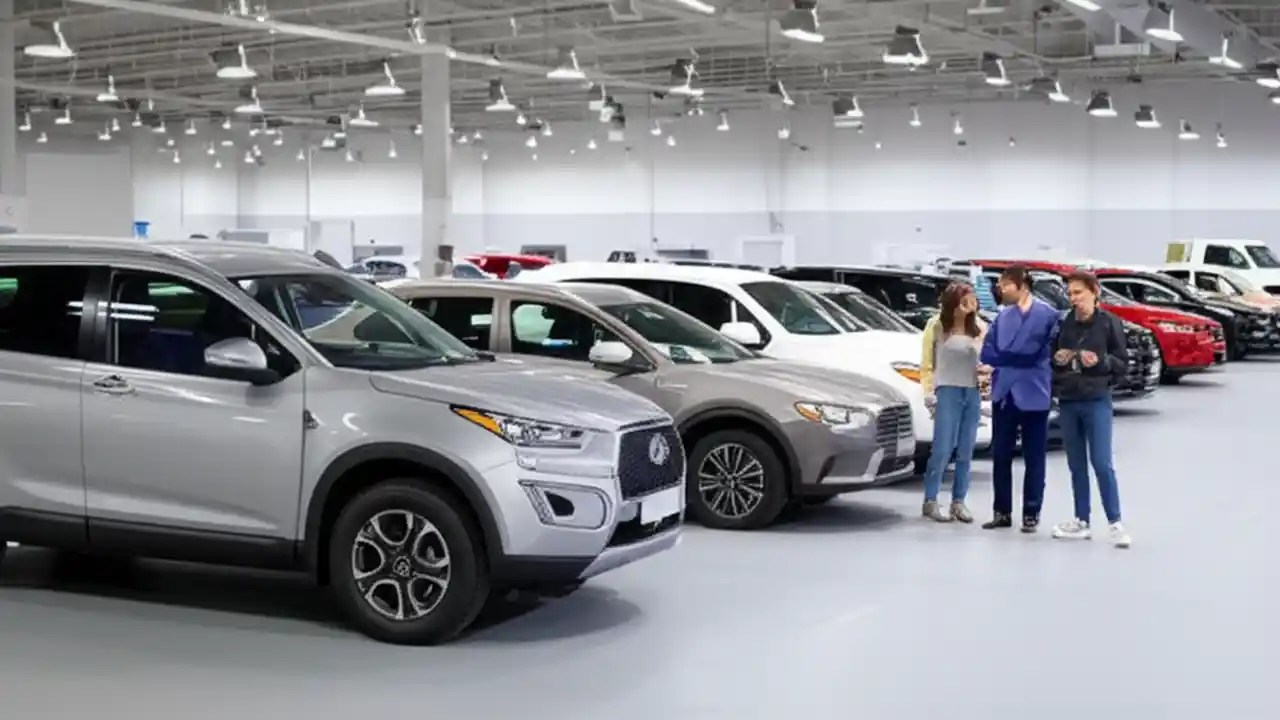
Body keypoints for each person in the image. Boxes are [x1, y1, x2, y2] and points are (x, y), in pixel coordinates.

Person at [1050, 271, 1133, 548]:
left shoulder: (1109, 323)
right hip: (1069, 400)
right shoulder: (1065, 323)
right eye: (1070, 293)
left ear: (1094, 292)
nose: (1074, 299)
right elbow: (1052, 359)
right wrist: (1059, 361)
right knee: (1076, 464)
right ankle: (1081, 520)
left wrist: (1100, 362)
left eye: (1078, 293)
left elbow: (1122, 364)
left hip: (1096, 400)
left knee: (1101, 461)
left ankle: (1115, 522)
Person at [981, 265, 1061, 533]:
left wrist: (1007, 358)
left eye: (1005, 285)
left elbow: (1039, 352)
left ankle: (1031, 512)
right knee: (1001, 454)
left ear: (1022, 285)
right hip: (1004, 393)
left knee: (1034, 457)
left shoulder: (1049, 316)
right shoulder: (1002, 317)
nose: (1000, 289)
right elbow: (988, 352)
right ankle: (1001, 511)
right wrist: (1010, 358)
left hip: (1035, 392)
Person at [919, 282, 988, 523]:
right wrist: (929, 392)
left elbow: (987, 360)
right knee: (942, 448)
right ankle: (930, 499)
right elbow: (927, 363)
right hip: (947, 389)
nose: (970, 305)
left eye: (973, 300)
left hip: (972, 390)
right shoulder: (936, 325)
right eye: (964, 301)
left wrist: (986, 374)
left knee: (966, 449)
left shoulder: (980, 327)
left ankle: (959, 501)